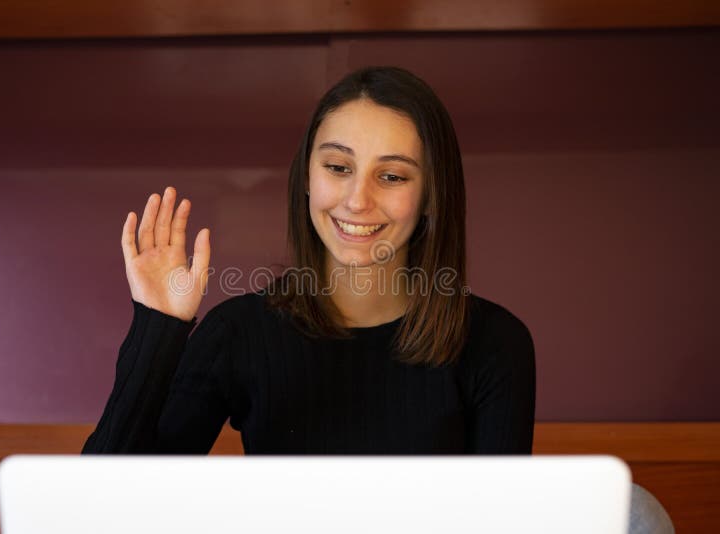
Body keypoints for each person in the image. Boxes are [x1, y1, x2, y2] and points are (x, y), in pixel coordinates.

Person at [82, 66, 673, 532]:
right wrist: (158, 327)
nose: (357, 201)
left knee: (634, 513)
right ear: (307, 179)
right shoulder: (239, 332)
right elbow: (100, 517)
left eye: (391, 176)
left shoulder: (494, 343)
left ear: (431, 194)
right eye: (338, 166)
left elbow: (498, 523)